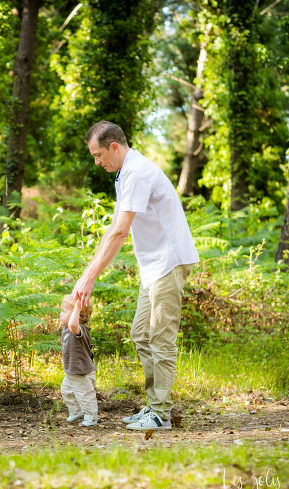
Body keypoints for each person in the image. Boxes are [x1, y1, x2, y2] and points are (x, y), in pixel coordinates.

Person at [73, 121, 199, 431]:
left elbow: (120, 231)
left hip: (169, 261)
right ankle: (155, 404)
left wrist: (90, 278)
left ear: (114, 147)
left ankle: (161, 413)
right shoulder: (125, 174)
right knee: (142, 334)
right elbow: (112, 229)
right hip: (153, 266)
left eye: (98, 154)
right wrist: (87, 272)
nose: (97, 161)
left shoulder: (138, 172)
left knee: (160, 337)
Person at [59, 294, 97, 427]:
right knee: (66, 391)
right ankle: (76, 411)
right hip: (71, 371)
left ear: (78, 315)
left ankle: (91, 417)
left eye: (64, 311)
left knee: (85, 395)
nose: (60, 314)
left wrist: (77, 307)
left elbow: (73, 324)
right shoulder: (66, 330)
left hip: (82, 371)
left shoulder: (79, 329)